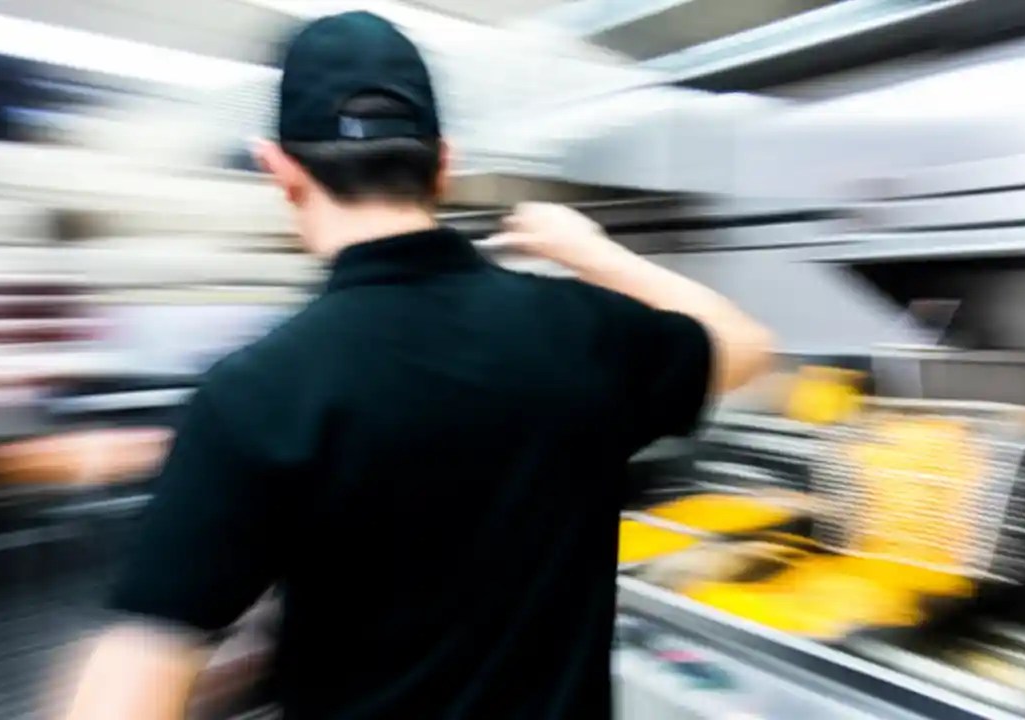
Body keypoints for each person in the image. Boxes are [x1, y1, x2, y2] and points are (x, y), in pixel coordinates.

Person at [63, 11, 772, 720]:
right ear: (444, 162)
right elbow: (743, 344)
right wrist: (589, 251)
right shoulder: (582, 330)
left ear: (277, 167)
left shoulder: (255, 391)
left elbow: (134, 674)